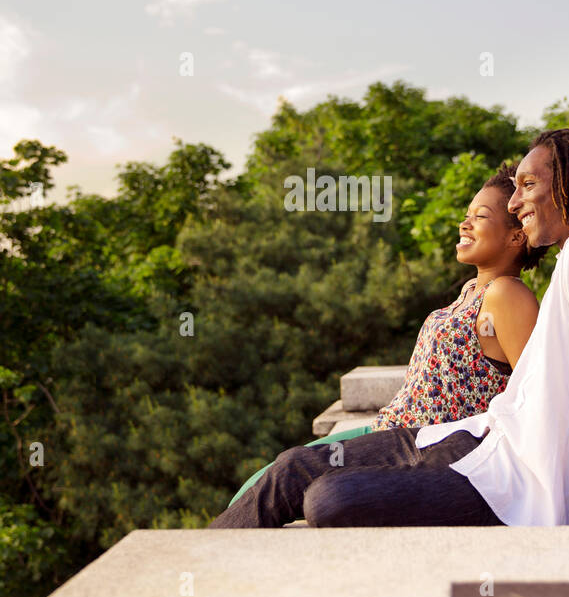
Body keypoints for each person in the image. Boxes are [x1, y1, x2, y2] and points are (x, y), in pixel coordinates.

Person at [209, 128, 569, 529]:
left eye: (528, 185)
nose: (515, 200)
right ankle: (191, 563)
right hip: (478, 439)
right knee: (292, 469)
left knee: (328, 498)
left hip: (512, 487)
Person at [217, 161, 549, 517]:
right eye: (466, 214)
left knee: (294, 478)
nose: (463, 224)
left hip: (438, 445)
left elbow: (537, 396)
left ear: (516, 237)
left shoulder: (507, 295)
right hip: (393, 432)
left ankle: (202, 561)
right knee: (269, 477)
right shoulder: (472, 289)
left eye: (480, 217)